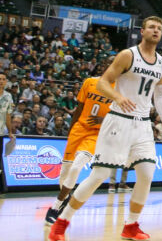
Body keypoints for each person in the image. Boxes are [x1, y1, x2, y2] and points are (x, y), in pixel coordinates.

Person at [49, 16, 162, 241]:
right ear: (142, 31)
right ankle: (61, 222)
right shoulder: (128, 55)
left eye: (159, 28)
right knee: (99, 175)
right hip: (118, 120)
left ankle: (131, 225)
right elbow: (103, 82)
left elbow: (160, 94)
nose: (156, 30)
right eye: (152, 27)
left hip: (143, 124)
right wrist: (118, 97)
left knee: (147, 174)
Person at [45, 74, 115, 224]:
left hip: (96, 133)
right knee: (64, 172)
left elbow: (120, 118)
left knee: (76, 167)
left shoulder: (121, 90)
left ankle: (55, 207)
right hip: (79, 128)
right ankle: (65, 200)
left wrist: (103, 119)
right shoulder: (90, 82)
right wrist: (71, 129)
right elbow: (80, 108)